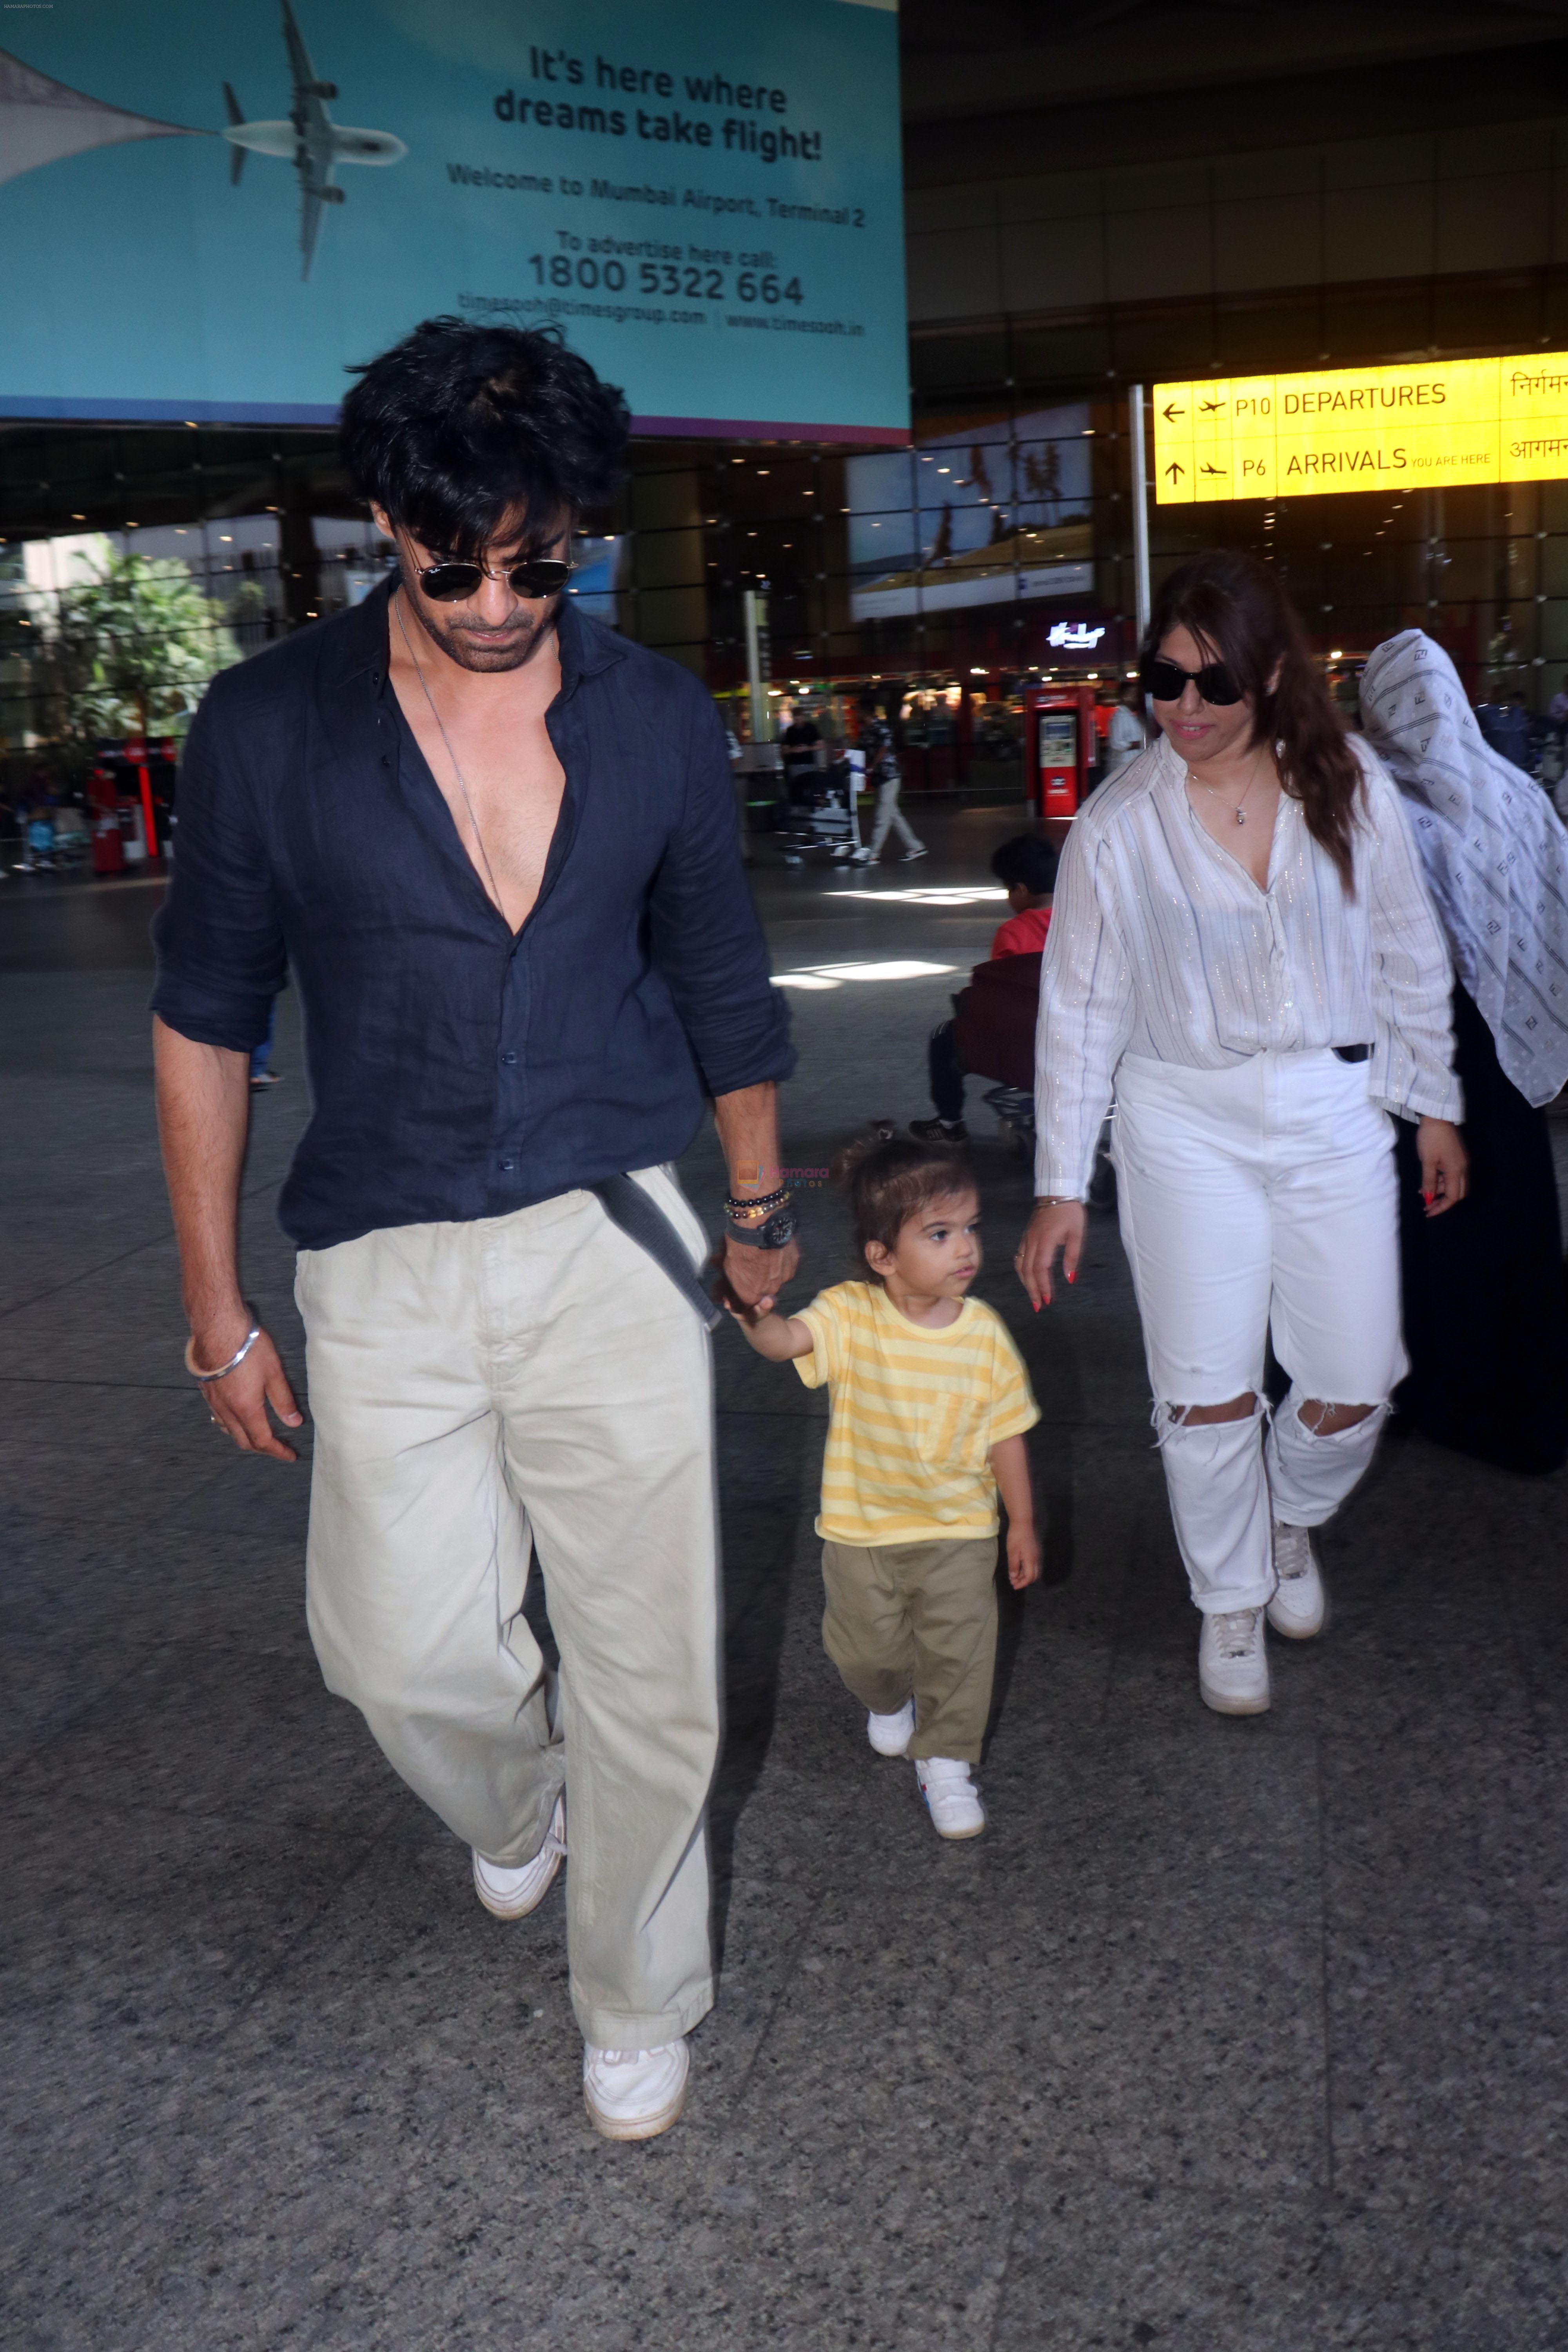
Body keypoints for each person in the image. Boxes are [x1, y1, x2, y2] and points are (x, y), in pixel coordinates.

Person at [149, 318, 797, 2143]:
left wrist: (752, 1210)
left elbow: (724, 984)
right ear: (382, 521)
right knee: (399, 1652)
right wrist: (214, 1305)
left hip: (607, 1232)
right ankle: (518, 1803)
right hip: (382, 1256)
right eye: (460, 565)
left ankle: (635, 1986)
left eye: (548, 558)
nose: (505, 597)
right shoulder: (271, 723)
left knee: (654, 1660)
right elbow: (207, 1014)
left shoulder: (655, 716)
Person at [1017, 550, 1466, 1718]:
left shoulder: (1346, 782)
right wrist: (1061, 1183)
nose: (1182, 709)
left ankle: (1284, 1515)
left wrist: (1434, 1106)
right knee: (1206, 1388)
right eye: (1160, 681)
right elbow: (1077, 1010)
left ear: (1270, 675)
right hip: (1179, 1119)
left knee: (1354, 1380)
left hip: (1329, 1108)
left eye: (1211, 685)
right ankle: (1227, 1594)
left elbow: (1408, 950)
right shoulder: (1119, 825)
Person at [731, 1136, 1040, 1837]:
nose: (965, 1248)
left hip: (960, 1529)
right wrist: (753, 1311)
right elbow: (783, 1344)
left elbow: (1007, 1434)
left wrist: (1019, 1523)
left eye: (970, 1229)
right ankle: (888, 1701)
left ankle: (948, 1764)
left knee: (961, 1651)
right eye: (939, 1234)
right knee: (863, 1654)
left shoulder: (984, 1335)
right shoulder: (849, 1315)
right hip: (862, 1530)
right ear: (882, 1256)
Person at [1359, 630, 1568, 1472]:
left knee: (1429, 1224)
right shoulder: (1516, 791)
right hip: (1509, 1051)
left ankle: (1442, 1390)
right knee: (1512, 1216)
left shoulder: (1382, 805)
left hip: (1427, 1049)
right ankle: (1526, 1401)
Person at [912, 833, 1057, 1142]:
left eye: (1007, 888)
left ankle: (950, 1122)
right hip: (1091, 1037)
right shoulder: (1085, 923)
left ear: (1020, 889)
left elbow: (1004, 996)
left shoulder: (1013, 933)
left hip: (1027, 1041)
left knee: (943, 1036)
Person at [851, 691, 926, 865]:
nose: (856, 714)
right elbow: (860, 750)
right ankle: (915, 846)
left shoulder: (880, 726)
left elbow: (884, 747)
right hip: (879, 777)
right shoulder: (865, 730)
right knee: (892, 814)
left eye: (858, 711)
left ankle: (874, 854)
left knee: (882, 816)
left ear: (866, 712)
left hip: (889, 775)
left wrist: (872, 766)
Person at [1102, 679, 1147, 781]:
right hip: (1126, 769)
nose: (1138, 699)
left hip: (1134, 767)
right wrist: (1140, 744)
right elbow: (1117, 743)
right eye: (1135, 695)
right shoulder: (1120, 717)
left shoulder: (1131, 716)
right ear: (1126, 696)